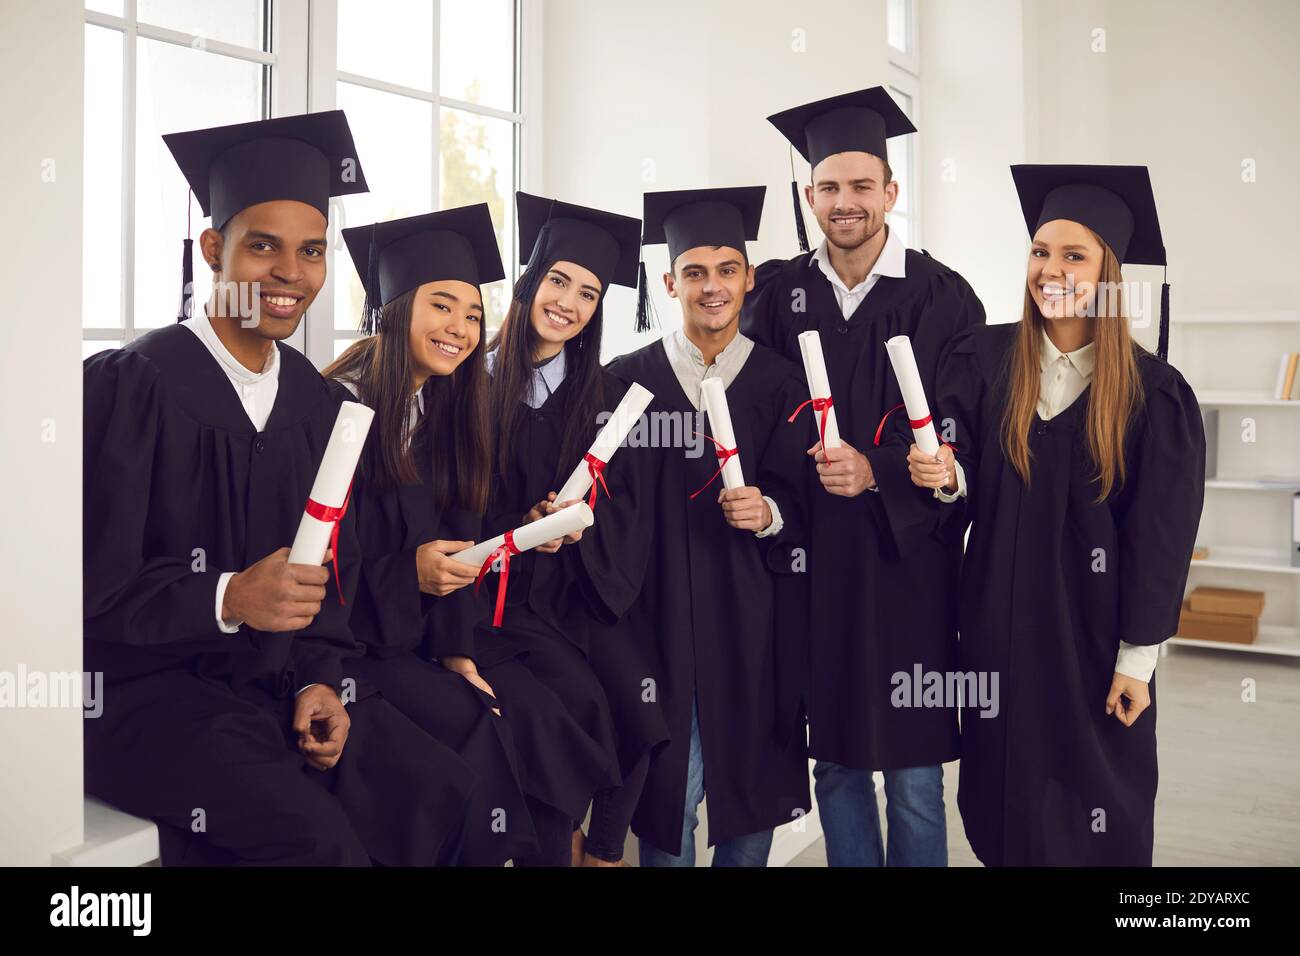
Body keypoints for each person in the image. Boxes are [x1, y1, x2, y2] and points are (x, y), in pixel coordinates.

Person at [83, 111, 477, 865]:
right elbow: (87, 589)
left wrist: (319, 682)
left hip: (271, 687)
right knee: (316, 840)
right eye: (263, 246)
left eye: (311, 251)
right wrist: (225, 596)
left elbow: (321, 577)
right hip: (145, 698)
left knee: (441, 791)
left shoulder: (317, 404)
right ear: (213, 249)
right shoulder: (130, 386)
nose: (291, 274)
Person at [911, 164, 1204, 865]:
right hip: (995, 624)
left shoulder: (1152, 394)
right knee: (1001, 796)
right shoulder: (984, 359)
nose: (1050, 269)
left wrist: (1138, 661)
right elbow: (959, 470)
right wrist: (945, 476)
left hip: (1094, 638)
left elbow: (1161, 539)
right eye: (1041, 252)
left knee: (1093, 805)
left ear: (1108, 273)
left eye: (1074, 255)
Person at [742, 88, 985, 866]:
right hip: (810, 564)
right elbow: (758, 420)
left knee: (913, 771)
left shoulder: (943, 297)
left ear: (891, 191)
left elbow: (959, 431)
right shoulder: (777, 297)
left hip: (907, 564)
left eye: (860, 186)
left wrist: (880, 471)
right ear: (809, 195)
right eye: (828, 189)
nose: (844, 204)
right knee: (837, 761)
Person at [325, 204, 560, 866]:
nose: (461, 328)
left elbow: (459, 535)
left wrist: (458, 653)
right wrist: (409, 575)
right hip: (330, 653)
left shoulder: (438, 409)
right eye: (442, 305)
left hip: (392, 641)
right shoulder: (337, 412)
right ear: (396, 307)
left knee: (485, 722)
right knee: (449, 768)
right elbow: (314, 560)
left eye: (473, 313)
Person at [608, 186, 812, 867]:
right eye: (694, 272)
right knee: (670, 794)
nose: (712, 287)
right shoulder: (624, 384)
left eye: (728, 270)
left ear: (748, 278)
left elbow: (810, 503)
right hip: (657, 624)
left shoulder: (785, 384)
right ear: (670, 283)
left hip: (753, 621)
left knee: (749, 787)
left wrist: (773, 514)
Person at [481, 192, 670, 867]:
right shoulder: (474, 383)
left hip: (579, 593)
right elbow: (452, 505)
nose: (569, 302)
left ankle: (603, 854)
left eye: (589, 293)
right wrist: (521, 525)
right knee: (568, 716)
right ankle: (556, 848)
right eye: (558, 280)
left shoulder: (608, 399)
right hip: (498, 598)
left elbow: (626, 511)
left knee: (645, 715)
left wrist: (579, 530)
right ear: (531, 281)